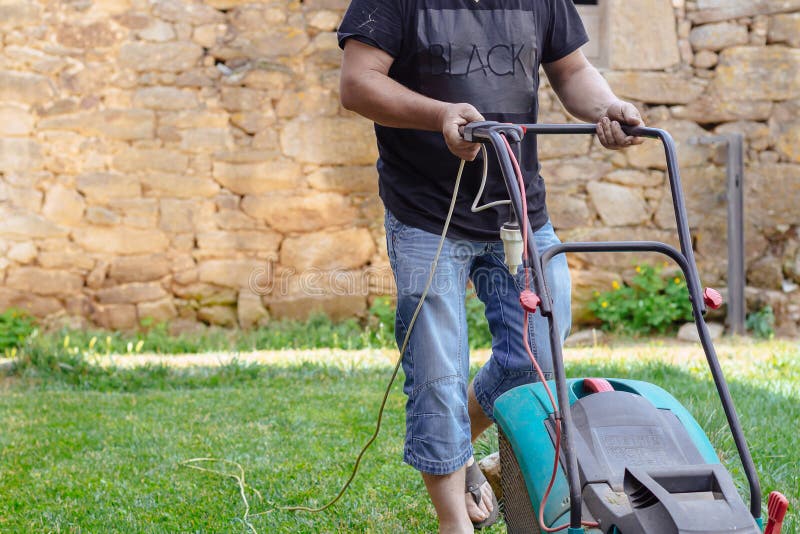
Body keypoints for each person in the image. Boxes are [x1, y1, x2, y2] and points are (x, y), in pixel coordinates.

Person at [337, 1, 644, 531]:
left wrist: (607, 108)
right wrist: (439, 114)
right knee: (437, 375)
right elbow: (358, 83)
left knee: (537, 359)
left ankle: (467, 455)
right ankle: (454, 521)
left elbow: (571, 71)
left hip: (519, 210)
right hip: (425, 214)